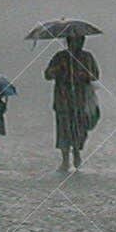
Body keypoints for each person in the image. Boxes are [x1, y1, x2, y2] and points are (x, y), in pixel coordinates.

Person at [44, 33, 99, 173]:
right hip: (62, 100)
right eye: (74, 41)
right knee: (63, 129)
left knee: (79, 128)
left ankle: (76, 153)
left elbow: (95, 75)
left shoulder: (87, 57)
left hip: (80, 100)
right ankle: (65, 160)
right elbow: (47, 75)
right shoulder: (60, 57)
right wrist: (58, 69)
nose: (77, 44)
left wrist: (83, 75)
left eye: (80, 41)